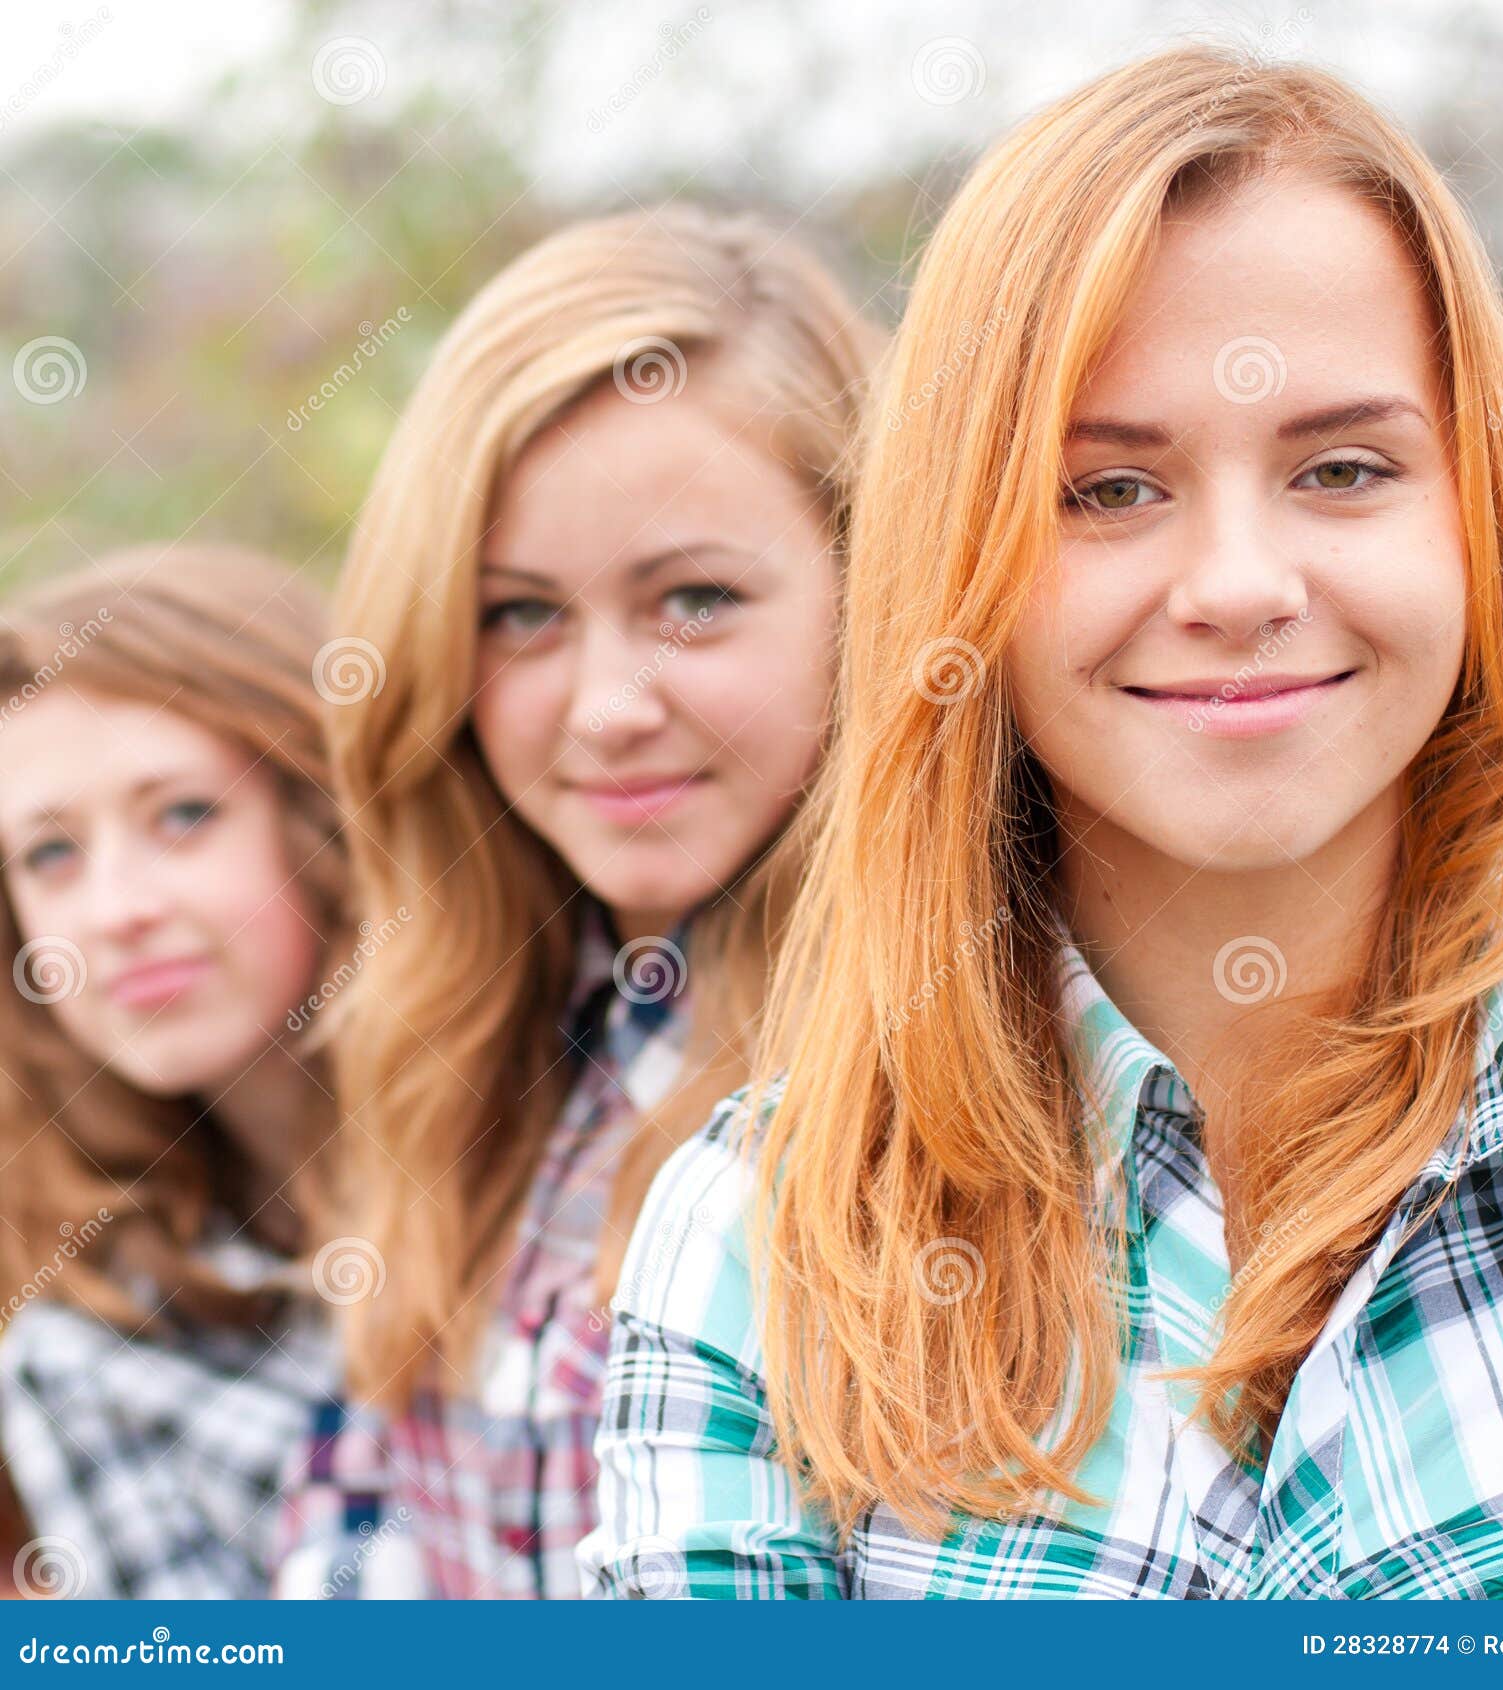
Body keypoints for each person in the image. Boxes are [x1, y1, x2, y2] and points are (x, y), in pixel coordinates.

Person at [579, 45, 1503, 1600]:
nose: (1242, 584)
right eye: (1110, 491)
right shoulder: (753, 1249)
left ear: (1478, 520)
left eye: (1342, 467)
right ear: (958, 565)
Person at [272, 203, 884, 1598]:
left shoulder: (967, 1073)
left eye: (696, 599)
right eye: (522, 614)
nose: (608, 708)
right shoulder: (478, 1045)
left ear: (873, 589)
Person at [0, 545, 347, 1599]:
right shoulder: (90, 1333)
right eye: (50, 855)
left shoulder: (569, 1135)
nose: (117, 909)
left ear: (323, 814)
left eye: (184, 814)